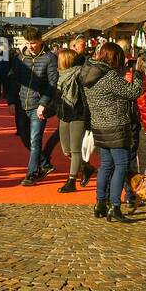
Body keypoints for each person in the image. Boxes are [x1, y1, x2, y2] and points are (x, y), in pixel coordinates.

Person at [80, 42, 142, 221]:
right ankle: (115, 206)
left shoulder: (89, 73)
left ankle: (100, 203)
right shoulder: (109, 77)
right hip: (115, 126)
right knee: (121, 166)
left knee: (106, 166)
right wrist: (137, 73)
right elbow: (133, 92)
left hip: (99, 125)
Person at [7, 28, 58, 186]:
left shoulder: (50, 58)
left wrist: (43, 104)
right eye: (28, 43)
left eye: (33, 43)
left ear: (41, 41)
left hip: (38, 105)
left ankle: (31, 174)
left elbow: (52, 84)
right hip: (23, 103)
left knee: (35, 139)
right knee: (24, 137)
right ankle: (44, 162)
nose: (31, 46)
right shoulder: (20, 58)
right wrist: (11, 101)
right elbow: (13, 80)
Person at [50, 47, 94, 193]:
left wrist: (88, 118)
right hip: (64, 114)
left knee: (75, 149)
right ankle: (86, 167)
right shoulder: (61, 75)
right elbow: (57, 96)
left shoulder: (80, 74)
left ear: (65, 60)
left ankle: (71, 181)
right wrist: (50, 109)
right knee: (66, 150)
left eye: (59, 59)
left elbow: (86, 97)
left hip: (78, 114)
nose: (57, 61)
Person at [117, 37, 146, 207]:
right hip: (128, 120)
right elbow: (144, 98)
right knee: (128, 158)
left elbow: (143, 97)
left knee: (119, 158)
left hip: (119, 120)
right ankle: (129, 194)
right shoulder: (133, 69)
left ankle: (121, 194)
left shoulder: (113, 68)